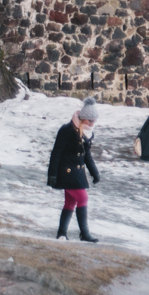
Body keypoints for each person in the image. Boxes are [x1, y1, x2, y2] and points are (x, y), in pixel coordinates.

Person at [48, 97, 102, 243]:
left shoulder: (87, 133)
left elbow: (87, 155)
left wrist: (94, 172)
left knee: (70, 203)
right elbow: (56, 153)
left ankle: (61, 234)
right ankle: (84, 234)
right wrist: (52, 174)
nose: (92, 123)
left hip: (78, 173)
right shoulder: (67, 130)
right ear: (83, 118)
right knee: (83, 198)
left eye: (94, 121)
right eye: (90, 121)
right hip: (66, 172)